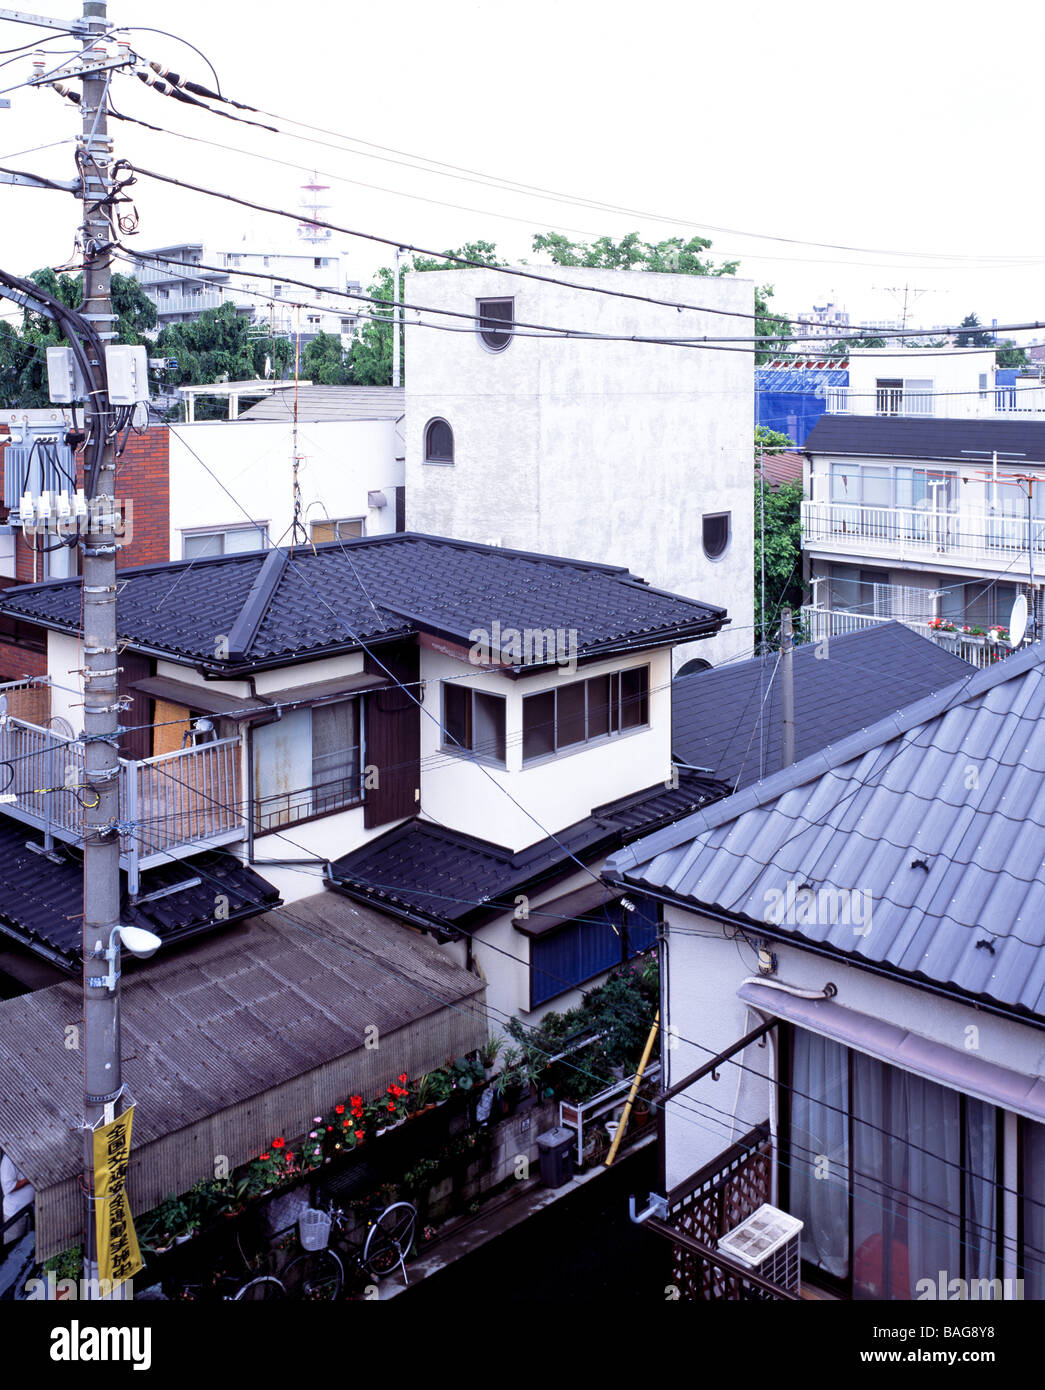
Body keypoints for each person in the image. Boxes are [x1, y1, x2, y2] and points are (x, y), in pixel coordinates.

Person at [1, 1150, 34, 1245]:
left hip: (30, 1211)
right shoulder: (8, 1160)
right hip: (15, 1214)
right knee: (13, 1247)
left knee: (28, 1244)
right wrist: (28, 1180)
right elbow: (8, 1186)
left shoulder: (30, 1153)